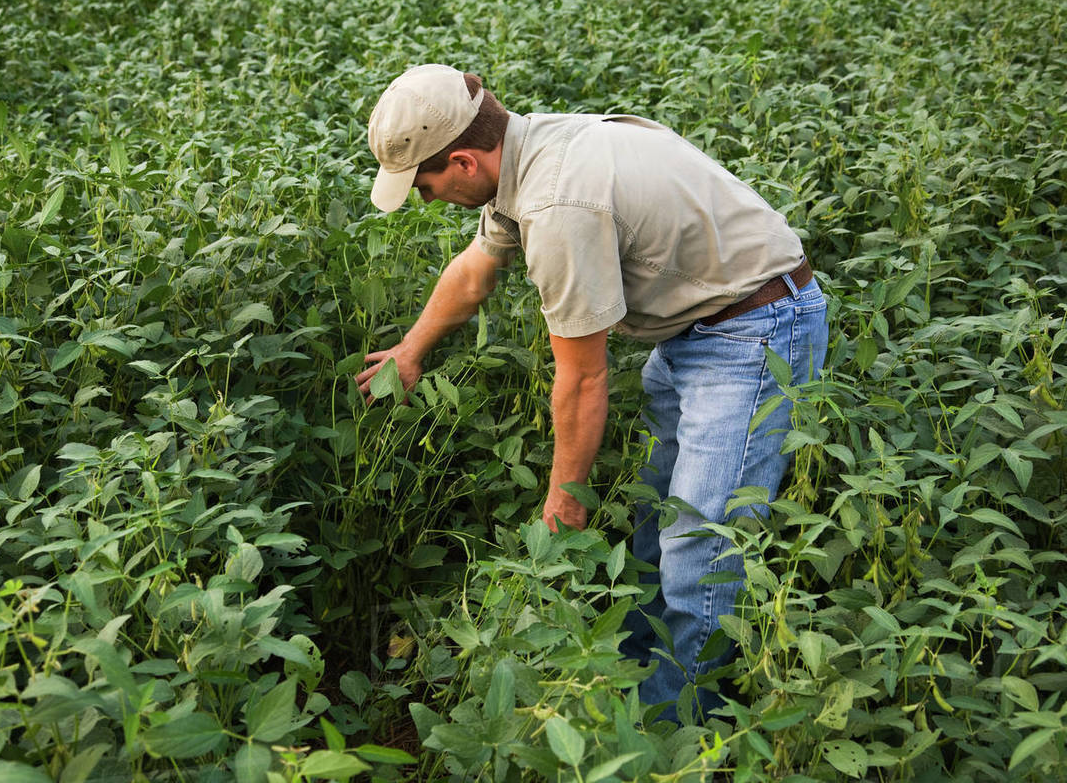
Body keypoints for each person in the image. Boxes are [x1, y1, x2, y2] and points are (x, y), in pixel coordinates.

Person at [353, 64, 828, 721]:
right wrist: (411, 351)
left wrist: (563, 502)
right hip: (698, 327)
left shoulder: (557, 207)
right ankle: (633, 682)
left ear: (463, 160)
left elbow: (582, 379)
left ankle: (678, 729)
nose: (426, 199)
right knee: (657, 520)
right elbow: (475, 270)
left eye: (426, 186)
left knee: (702, 543)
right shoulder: (527, 151)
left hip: (755, 331)